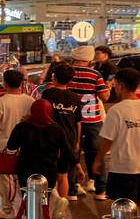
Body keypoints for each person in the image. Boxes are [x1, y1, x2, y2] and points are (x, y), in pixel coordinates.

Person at [7, 99, 78, 219]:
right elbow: (67, 151)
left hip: (26, 168)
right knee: (44, 200)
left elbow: (11, 146)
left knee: (28, 198)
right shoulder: (57, 129)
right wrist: (78, 166)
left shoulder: (22, 127)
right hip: (48, 169)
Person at [0, 68, 34, 219]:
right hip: (26, 144)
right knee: (22, 176)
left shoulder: (0, 102)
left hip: (5, 143)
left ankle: (8, 209)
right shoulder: (30, 100)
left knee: (5, 177)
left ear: (5, 83)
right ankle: (28, 208)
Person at [41, 62, 84, 207]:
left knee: (48, 174)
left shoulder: (48, 94)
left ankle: (50, 205)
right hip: (69, 139)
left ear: (54, 77)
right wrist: (77, 142)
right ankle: (62, 207)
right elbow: (78, 123)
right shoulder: (75, 97)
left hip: (49, 139)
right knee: (63, 174)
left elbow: (43, 114)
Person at [69, 45, 108, 199]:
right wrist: (109, 88)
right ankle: (100, 190)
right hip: (92, 119)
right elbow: (104, 97)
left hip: (72, 119)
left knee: (73, 153)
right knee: (96, 153)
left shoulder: (67, 73)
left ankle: (73, 190)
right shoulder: (95, 74)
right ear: (89, 58)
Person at [95, 67, 140, 202]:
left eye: (115, 85)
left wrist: (98, 159)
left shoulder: (116, 111)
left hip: (123, 168)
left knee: (121, 207)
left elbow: (107, 140)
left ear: (120, 86)